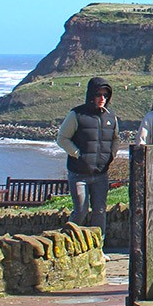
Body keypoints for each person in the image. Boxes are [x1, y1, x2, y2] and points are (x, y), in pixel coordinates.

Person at [56, 76, 121, 234]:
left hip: (101, 174)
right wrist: (77, 154)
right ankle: (67, 242)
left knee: (100, 212)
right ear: (91, 94)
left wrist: (110, 156)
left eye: (105, 95)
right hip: (79, 174)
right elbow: (62, 138)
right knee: (81, 211)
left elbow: (116, 139)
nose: (102, 98)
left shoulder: (111, 118)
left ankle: (99, 248)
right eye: (98, 94)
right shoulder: (77, 114)